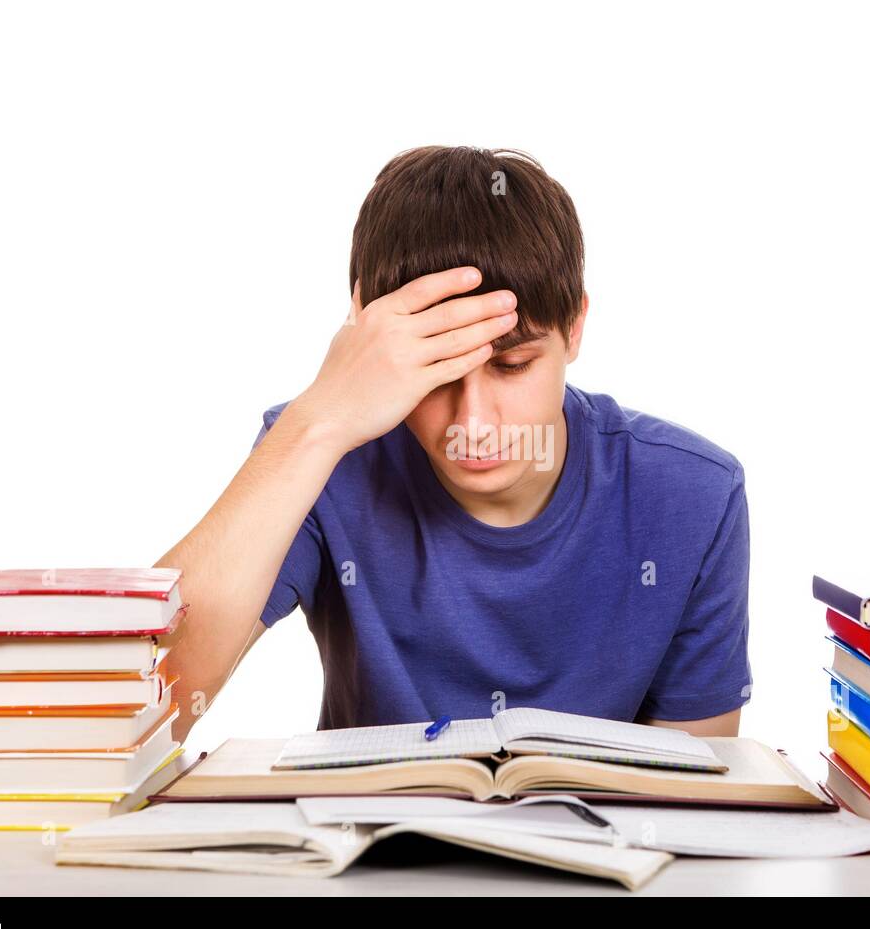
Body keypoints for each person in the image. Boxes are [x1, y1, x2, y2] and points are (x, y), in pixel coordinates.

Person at [158, 146, 750, 744]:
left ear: (574, 327)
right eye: (434, 370)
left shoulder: (694, 494)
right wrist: (316, 423)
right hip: (370, 835)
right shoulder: (319, 451)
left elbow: (695, 792)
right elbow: (151, 695)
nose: (472, 421)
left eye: (512, 365)